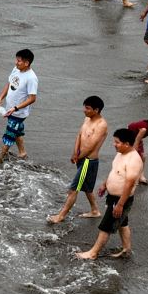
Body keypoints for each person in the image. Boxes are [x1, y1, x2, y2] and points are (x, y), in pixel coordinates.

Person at [75, 129, 145, 261]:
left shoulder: (134, 160)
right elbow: (115, 171)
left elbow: (129, 184)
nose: (114, 144)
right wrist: (105, 184)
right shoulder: (120, 154)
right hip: (113, 197)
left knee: (106, 226)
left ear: (127, 144)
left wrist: (120, 205)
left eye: (117, 142)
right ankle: (126, 249)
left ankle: (93, 253)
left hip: (121, 199)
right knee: (122, 223)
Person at [49, 96, 108, 225]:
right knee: (87, 187)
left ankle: (61, 216)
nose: (84, 110)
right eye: (84, 107)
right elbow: (80, 135)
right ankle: (95, 210)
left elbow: (91, 145)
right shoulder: (87, 119)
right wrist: (75, 152)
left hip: (88, 161)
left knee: (73, 189)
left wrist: (78, 156)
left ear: (96, 110)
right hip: (81, 158)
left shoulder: (101, 125)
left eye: (87, 108)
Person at [0, 49, 37, 164]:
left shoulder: (31, 78)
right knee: (17, 131)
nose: (16, 62)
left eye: (19, 61)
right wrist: (0, 98)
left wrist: (15, 108)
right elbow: (9, 83)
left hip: (18, 113)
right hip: (10, 109)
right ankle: (22, 153)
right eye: (16, 60)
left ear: (27, 63)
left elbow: (32, 98)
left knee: (9, 134)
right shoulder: (16, 69)